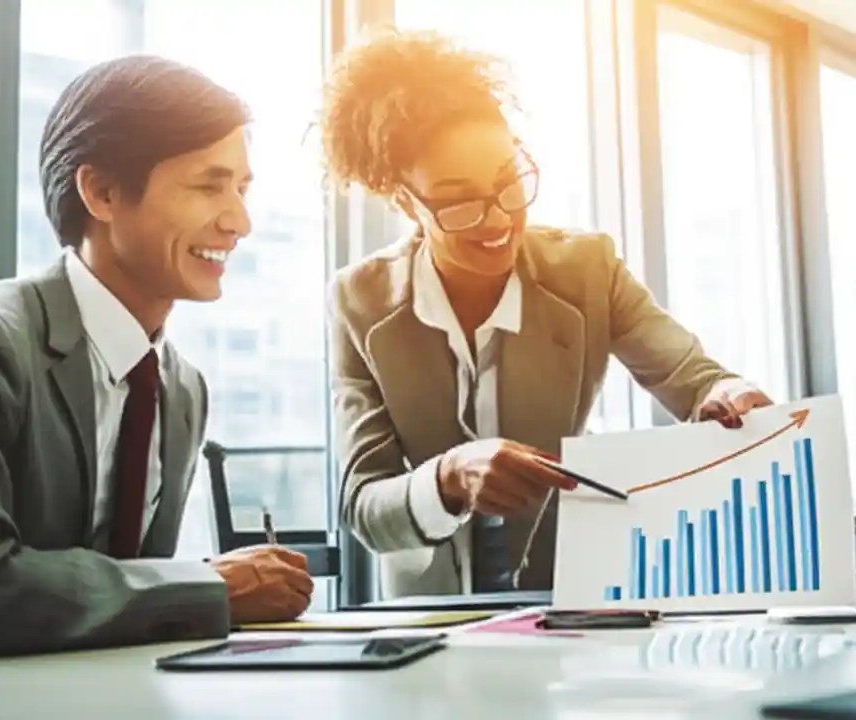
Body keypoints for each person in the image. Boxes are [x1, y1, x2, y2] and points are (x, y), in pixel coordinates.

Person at [0, 56, 312, 659]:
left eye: (241, 189)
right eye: (209, 185)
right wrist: (207, 583)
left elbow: (125, 615)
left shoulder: (182, 388)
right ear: (103, 193)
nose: (239, 221)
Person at [324, 30, 772, 599]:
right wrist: (448, 477)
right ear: (402, 200)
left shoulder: (586, 268)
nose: (498, 219)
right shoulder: (359, 301)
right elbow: (363, 502)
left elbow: (694, 377)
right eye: (459, 199)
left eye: (508, 182)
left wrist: (730, 393)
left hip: (571, 592)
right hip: (432, 610)